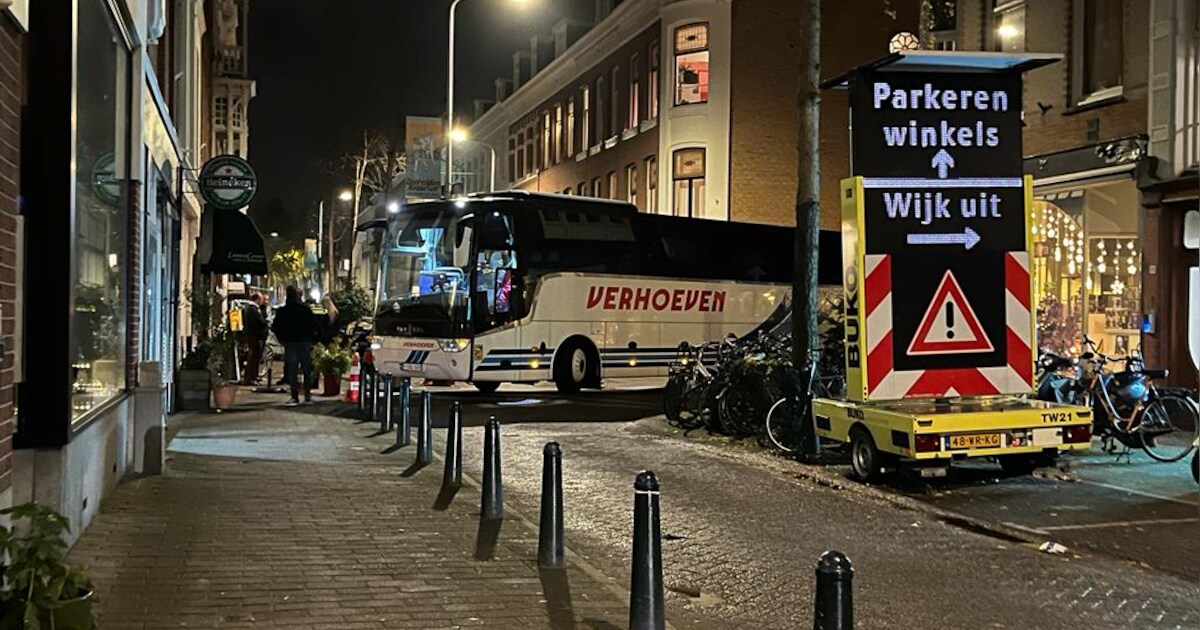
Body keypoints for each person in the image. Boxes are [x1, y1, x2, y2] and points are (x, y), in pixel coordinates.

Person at [271, 286, 317, 405]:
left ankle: (294, 395)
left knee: (292, 370)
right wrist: (312, 339)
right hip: (304, 342)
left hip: (290, 342)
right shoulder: (305, 310)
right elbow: (313, 325)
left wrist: (282, 339)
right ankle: (307, 395)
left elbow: (275, 327)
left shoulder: (283, 311)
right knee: (307, 369)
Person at [241, 293, 268, 385]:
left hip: (254, 335)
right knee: (254, 357)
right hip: (255, 336)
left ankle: (253, 376)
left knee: (255, 356)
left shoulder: (252, 309)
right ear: (256, 299)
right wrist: (265, 322)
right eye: (260, 299)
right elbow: (260, 321)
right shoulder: (253, 310)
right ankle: (250, 377)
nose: (261, 301)